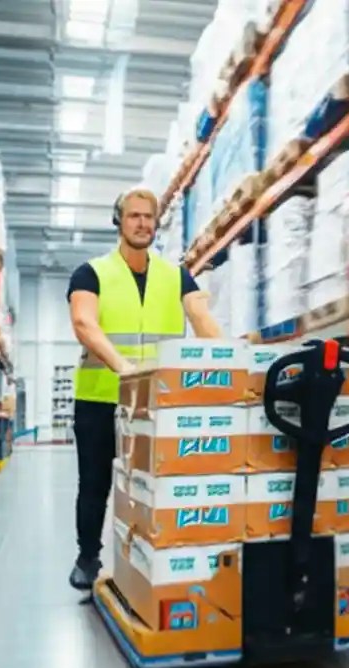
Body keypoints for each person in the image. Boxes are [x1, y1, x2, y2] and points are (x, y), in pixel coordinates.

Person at [65, 187, 222, 590]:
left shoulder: (176, 275)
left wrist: (228, 361)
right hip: (101, 398)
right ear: (119, 221)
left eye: (149, 217)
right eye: (133, 216)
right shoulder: (91, 272)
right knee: (95, 482)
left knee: (158, 482)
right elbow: (84, 323)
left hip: (157, 403)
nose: (142, 224)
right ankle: (88, 556)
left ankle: (156, 555)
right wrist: (123, 368)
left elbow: (202, 319)